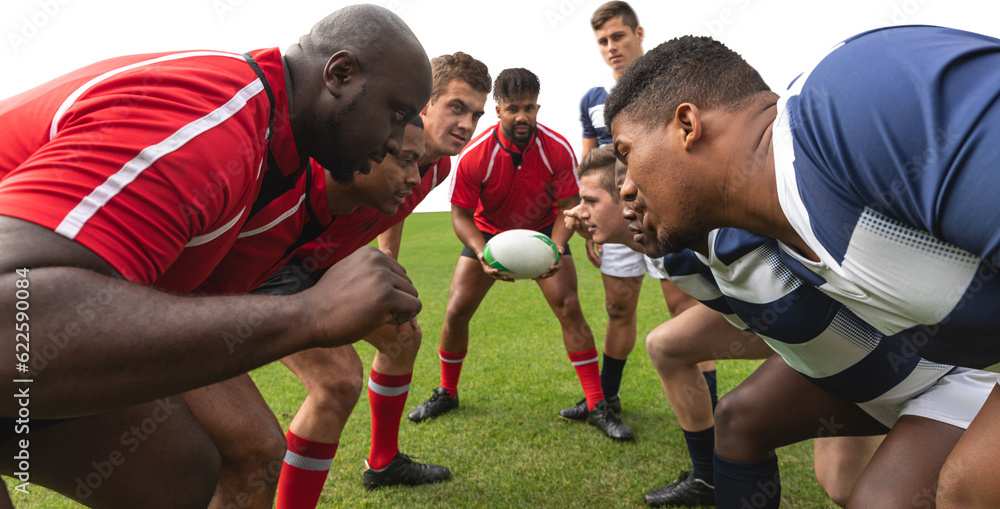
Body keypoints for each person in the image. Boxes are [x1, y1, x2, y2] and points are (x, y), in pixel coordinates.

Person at [0, 5, 431, 507]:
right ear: (339, 74)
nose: (394, 143)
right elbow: (15, 319)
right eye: (396, 116)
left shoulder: (274, 146)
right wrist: (309, 314)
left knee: (177, 475)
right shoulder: (212, 117)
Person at [606, 27, 1000, 507]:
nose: (626, 186)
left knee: (966, 485)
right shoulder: (771, 220)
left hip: (966, 375)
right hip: (960, 370)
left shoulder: (853, 99)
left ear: (687, 124)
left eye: (626, 153)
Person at [569, 146, 885, 507]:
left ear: (626, 196)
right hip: (765, 317)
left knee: (840, 482)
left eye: (590, 201)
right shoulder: (650, 239)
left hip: (837, 327)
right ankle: (707, 477)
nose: (579, 212)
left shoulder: (702, 231)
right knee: (666, 345)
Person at [248, 51, 492, 505]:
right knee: (337, 382)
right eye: (456, 107)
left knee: (404, 336)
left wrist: (387, 260)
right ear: (425, 104)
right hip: (276, 267)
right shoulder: (370, 144)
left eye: (476, 114)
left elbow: (392, 210)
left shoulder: (438, 167)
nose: (466, 124)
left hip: (324, 265)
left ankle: (383, 462)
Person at [408, 68, 631, 441]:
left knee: (569, 307)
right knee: (456, 310)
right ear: (498, 110)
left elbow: (568, 206)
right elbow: (461, 216)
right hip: (489, 234)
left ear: (538, 107)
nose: (522, 116)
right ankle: (447, 391)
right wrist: (481, 252)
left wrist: (555, 248)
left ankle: (596, 404)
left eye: (529, 108)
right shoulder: (475, 154)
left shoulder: (556, 148)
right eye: (513, 109)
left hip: (544, 231)